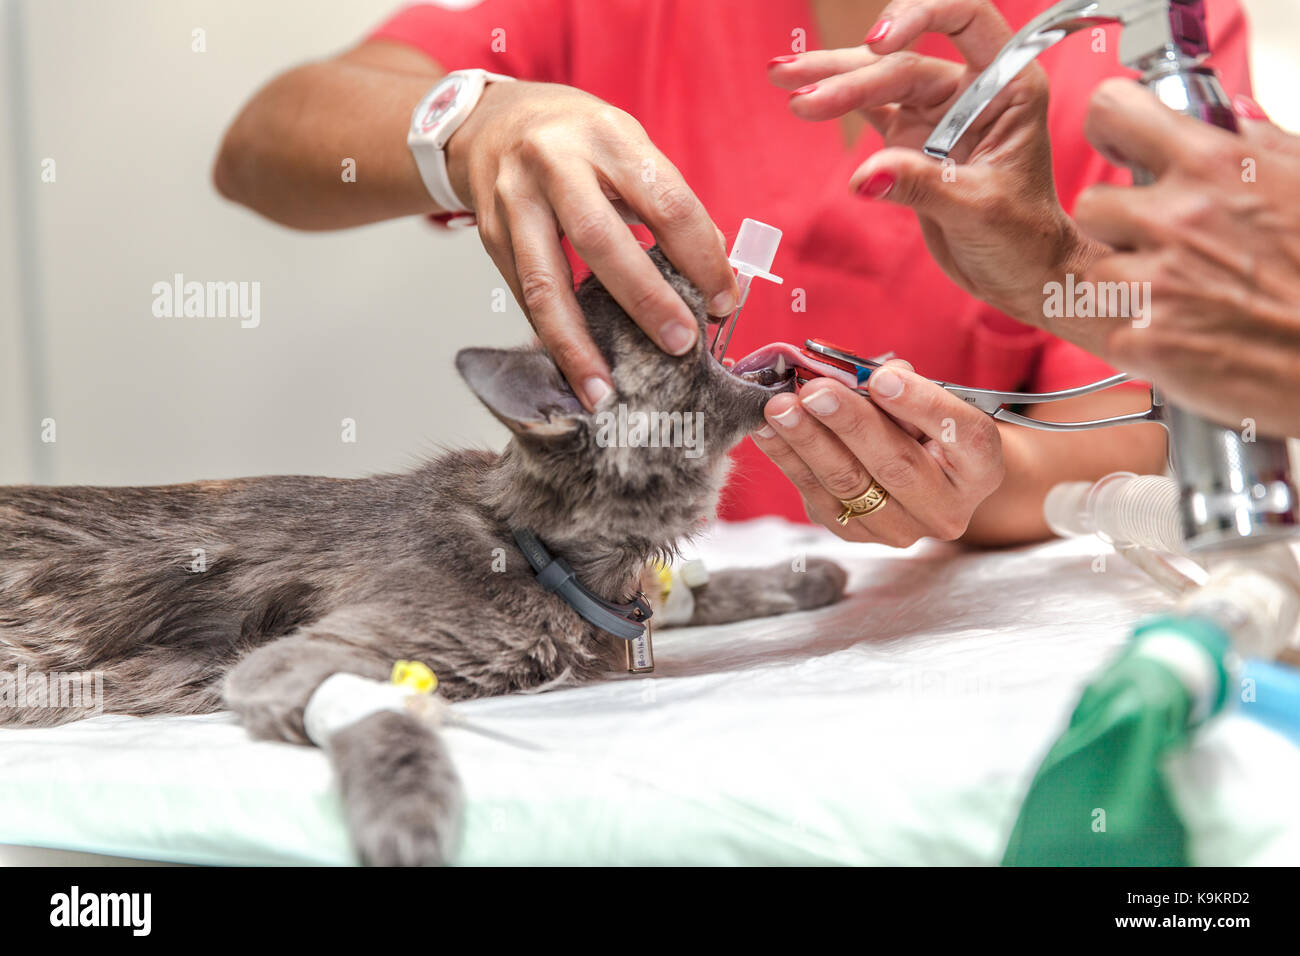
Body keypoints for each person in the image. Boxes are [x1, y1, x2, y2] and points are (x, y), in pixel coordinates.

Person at [213, 0, 1252, 546]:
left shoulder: (1134, 36)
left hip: (967, 637)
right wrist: (472, 120)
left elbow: (1166, 421)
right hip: (658, 621)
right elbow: (262, 147)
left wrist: (980, 481)